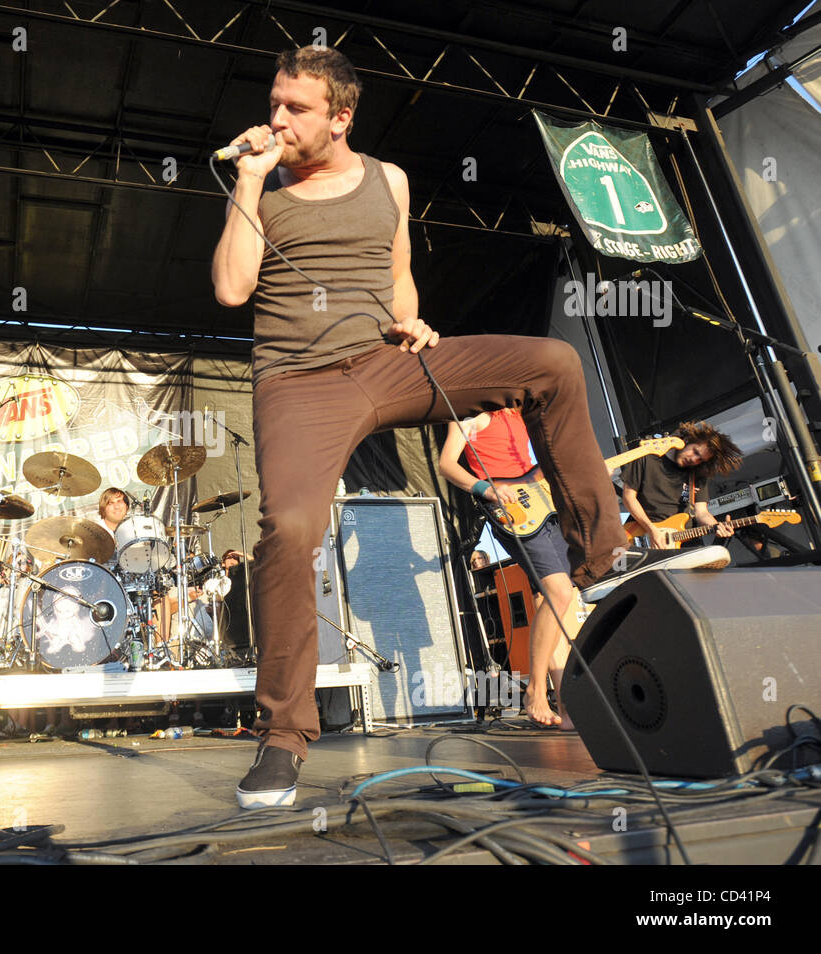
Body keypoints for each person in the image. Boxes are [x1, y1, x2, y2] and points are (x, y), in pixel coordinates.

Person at [211, 46, 730, 809]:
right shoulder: (261, 185)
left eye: (297, 108)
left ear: (342, 116)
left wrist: (410, 321)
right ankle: (284, 736)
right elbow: (230, 288)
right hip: (299, 382)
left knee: (553, 362)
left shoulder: (388, 180)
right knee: (289, 528)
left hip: (386, 360)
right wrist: (251, 182)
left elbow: (396, 273)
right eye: (276, 102)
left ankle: (600, 560)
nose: (277, 118)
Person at [440, 409, 581, 728]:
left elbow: (531, 465)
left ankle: (565, 703)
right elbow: (446, 464)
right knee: (557, 592)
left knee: (559, 602)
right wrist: (484, 489)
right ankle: (535, 691)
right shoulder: (469, 413)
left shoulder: (519, 411)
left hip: (543, 505)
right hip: (509, 507)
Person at [620, 420, 742, 548]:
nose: (694, 459)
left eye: (700, 459)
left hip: (684, 539)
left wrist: (717, 527)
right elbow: (628, 497)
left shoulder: (697, 473)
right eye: (695, 451)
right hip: (643, 533)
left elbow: (701, 513)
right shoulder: (647, 457)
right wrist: (651, 530)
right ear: (687, 440)